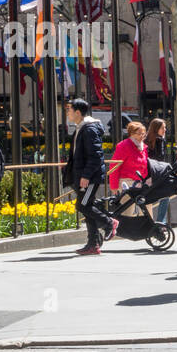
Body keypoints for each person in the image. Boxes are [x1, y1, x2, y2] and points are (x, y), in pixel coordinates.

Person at [64, 98, 116, 256]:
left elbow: (95, 156)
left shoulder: (88, 129)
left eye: (69, 110)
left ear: (78, 112)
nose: (67, 113)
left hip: (89, 178)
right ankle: (93, 244)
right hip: (82, 176)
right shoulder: (81, 128)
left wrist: (86, 176)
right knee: (86, 209)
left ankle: (109, 223)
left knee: (83, 206)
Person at [107, 121, 150, 214]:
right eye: (139, 134)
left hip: (141, 182)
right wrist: (114, 186)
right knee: (127, 212)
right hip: (126, 182)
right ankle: (125, 228)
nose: (142, 136)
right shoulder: (124, 146)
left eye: (143, 134)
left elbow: (145, 166)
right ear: (131, 134)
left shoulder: (143, 147)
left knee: (147, 208)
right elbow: (114, 166)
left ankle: (148, 227)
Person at [144, 118, 173, 224]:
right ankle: (161, 222)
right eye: (163, 128)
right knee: (165, 197)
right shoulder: (159, 140)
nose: (165, 130)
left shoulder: (147, 140)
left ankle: (150, 222)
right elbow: (160, 157)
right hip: (157, 173)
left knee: (148, 199)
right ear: (156, 129)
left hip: (148, 173)